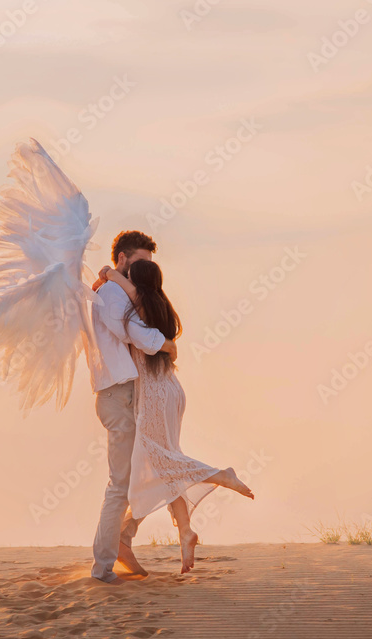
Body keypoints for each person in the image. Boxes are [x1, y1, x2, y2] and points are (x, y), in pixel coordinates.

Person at [98, 257, 255, 575]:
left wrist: (112, 276)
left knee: (162, 459)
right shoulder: (162, 308)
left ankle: (220, 475)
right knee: (165, 462)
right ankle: (184, 532)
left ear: (135, 285)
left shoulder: (136, 316)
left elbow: (144, 338)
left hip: (156, 395)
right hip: (171, 390)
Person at [88, 231, 177, 583]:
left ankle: (120, 547)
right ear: (122, 259)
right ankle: (103, 567)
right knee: (120, 485)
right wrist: (167, 345)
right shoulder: (110, 293)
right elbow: (138, 335)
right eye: (139, 263)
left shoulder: (114, 287)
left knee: (143, 472)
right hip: (118, 395)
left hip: (126, 394)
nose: (143, 272)